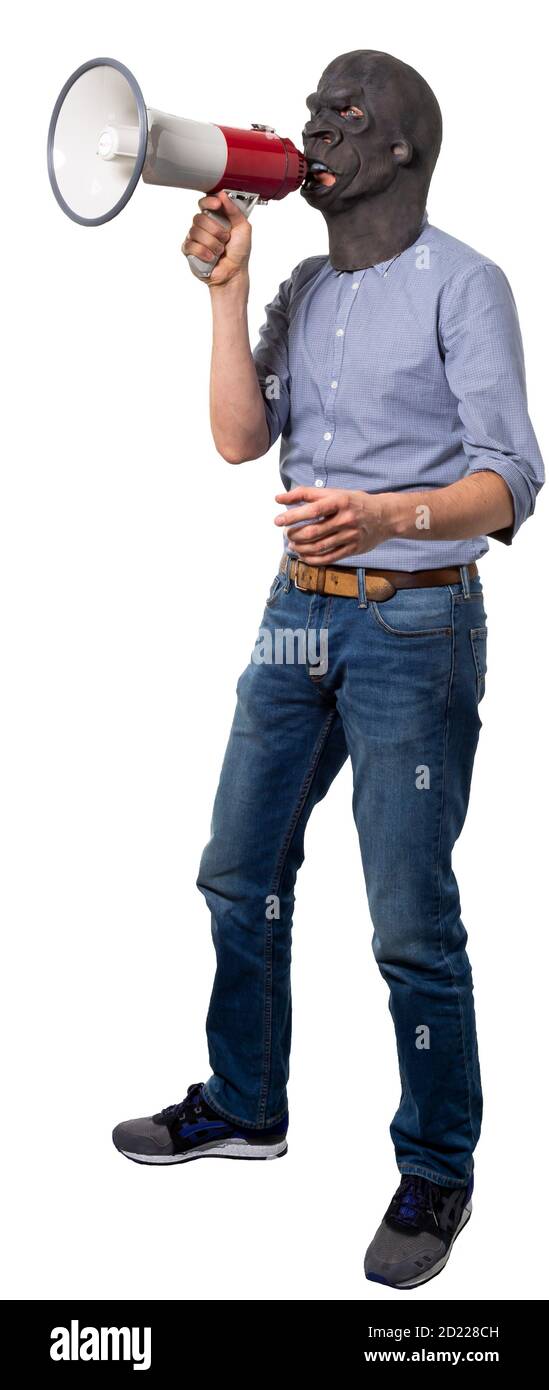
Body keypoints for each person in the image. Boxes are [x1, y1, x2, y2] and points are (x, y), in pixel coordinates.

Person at [113, 50, 544, 1289]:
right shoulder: (302, 283)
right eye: (311, 111)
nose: (314, 128)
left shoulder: (468, 284)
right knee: (238, 865)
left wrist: (389, 517)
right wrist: (223, 295)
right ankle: (248, 1104)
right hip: (297, 614)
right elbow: (242, 442)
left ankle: (436, 1169)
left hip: (416, 625)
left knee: (410, 920)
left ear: (402, 150)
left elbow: (512, 477)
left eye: (343, 114)